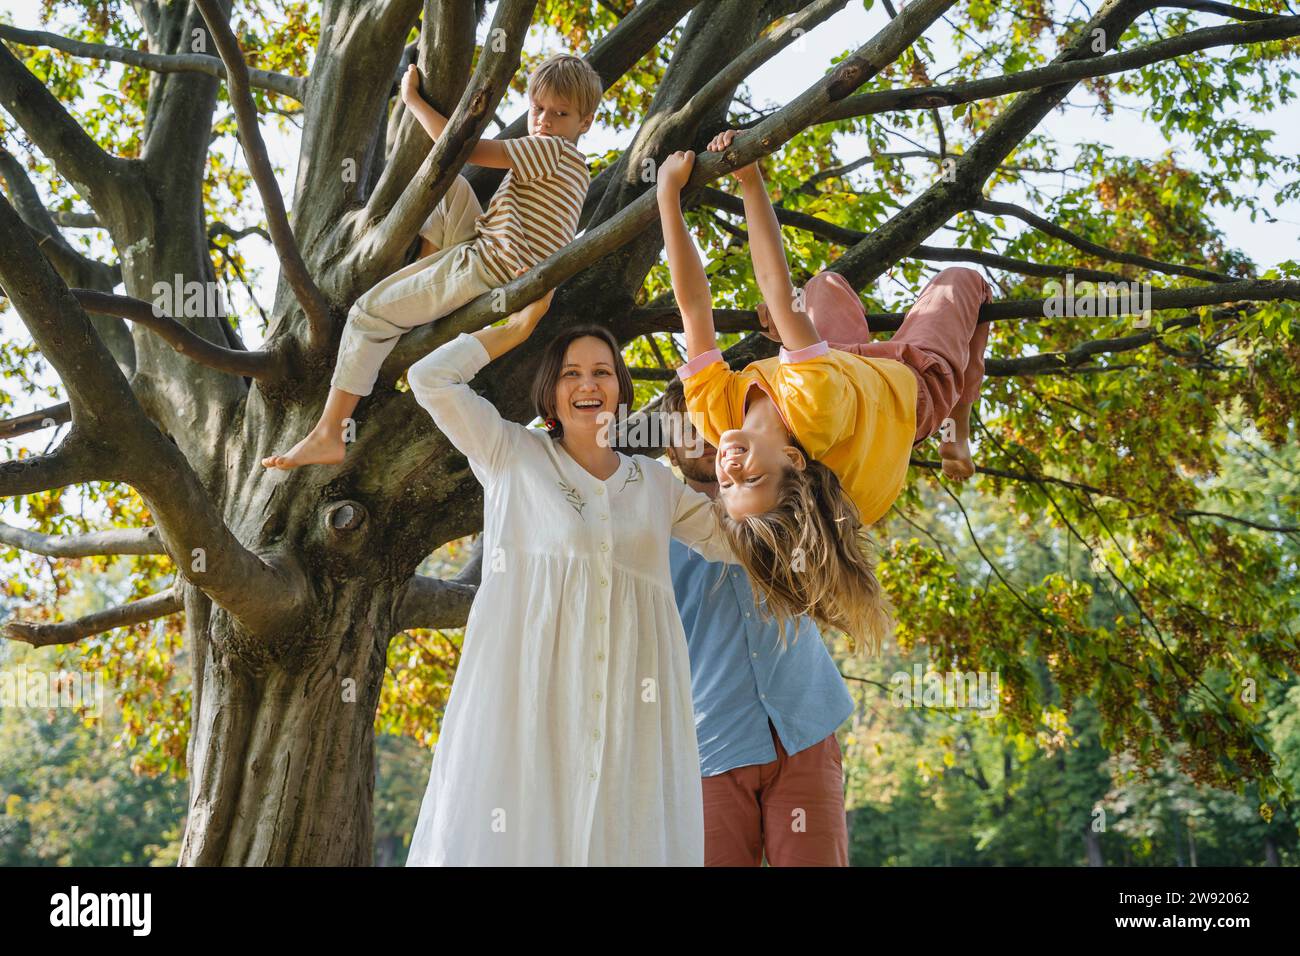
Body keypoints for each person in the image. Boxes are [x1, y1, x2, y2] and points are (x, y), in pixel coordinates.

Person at [403, 292, 738, 865]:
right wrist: (515, 328)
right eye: (571, 373)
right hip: (529, 699)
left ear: (621, 389)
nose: (589, 384)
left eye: (602, 372)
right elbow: (429, 378)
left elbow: (738, 541)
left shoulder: (656, 486)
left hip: (629, 712)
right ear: (551, 391)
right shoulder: (511, 452)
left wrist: (778, 464)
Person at [654, 130, 993, 653]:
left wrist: (667, 199)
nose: (728, 469)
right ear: (792, 456)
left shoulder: (715, 415)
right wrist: (750, 179)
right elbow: (773, 285)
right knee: (960, 282)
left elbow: (693, 308)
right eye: (753, 478)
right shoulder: (810, 411)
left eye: (728, 487)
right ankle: (958, 429)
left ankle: (801, 336)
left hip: (844, 367)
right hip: (912, 391)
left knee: (824, 287)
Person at [263, 53, 601, 470]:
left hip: (486, 265)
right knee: (448, 187)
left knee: (366, 314)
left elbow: (463, 149)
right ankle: (421, 291)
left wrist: (413, 101)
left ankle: (330, 432)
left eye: (560, 113)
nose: (544, 120)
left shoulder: (549, 150)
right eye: (538, 109)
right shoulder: (575, 166)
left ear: (584, 123)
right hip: (489, 249)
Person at [661, 378, 854, 867]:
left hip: (803, 728)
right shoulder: (646, 527)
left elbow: (818, 389)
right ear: (669, 445)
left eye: (712, 422)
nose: (704, 436)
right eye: (689, 428)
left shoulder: (788, 496)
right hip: (709, 746)